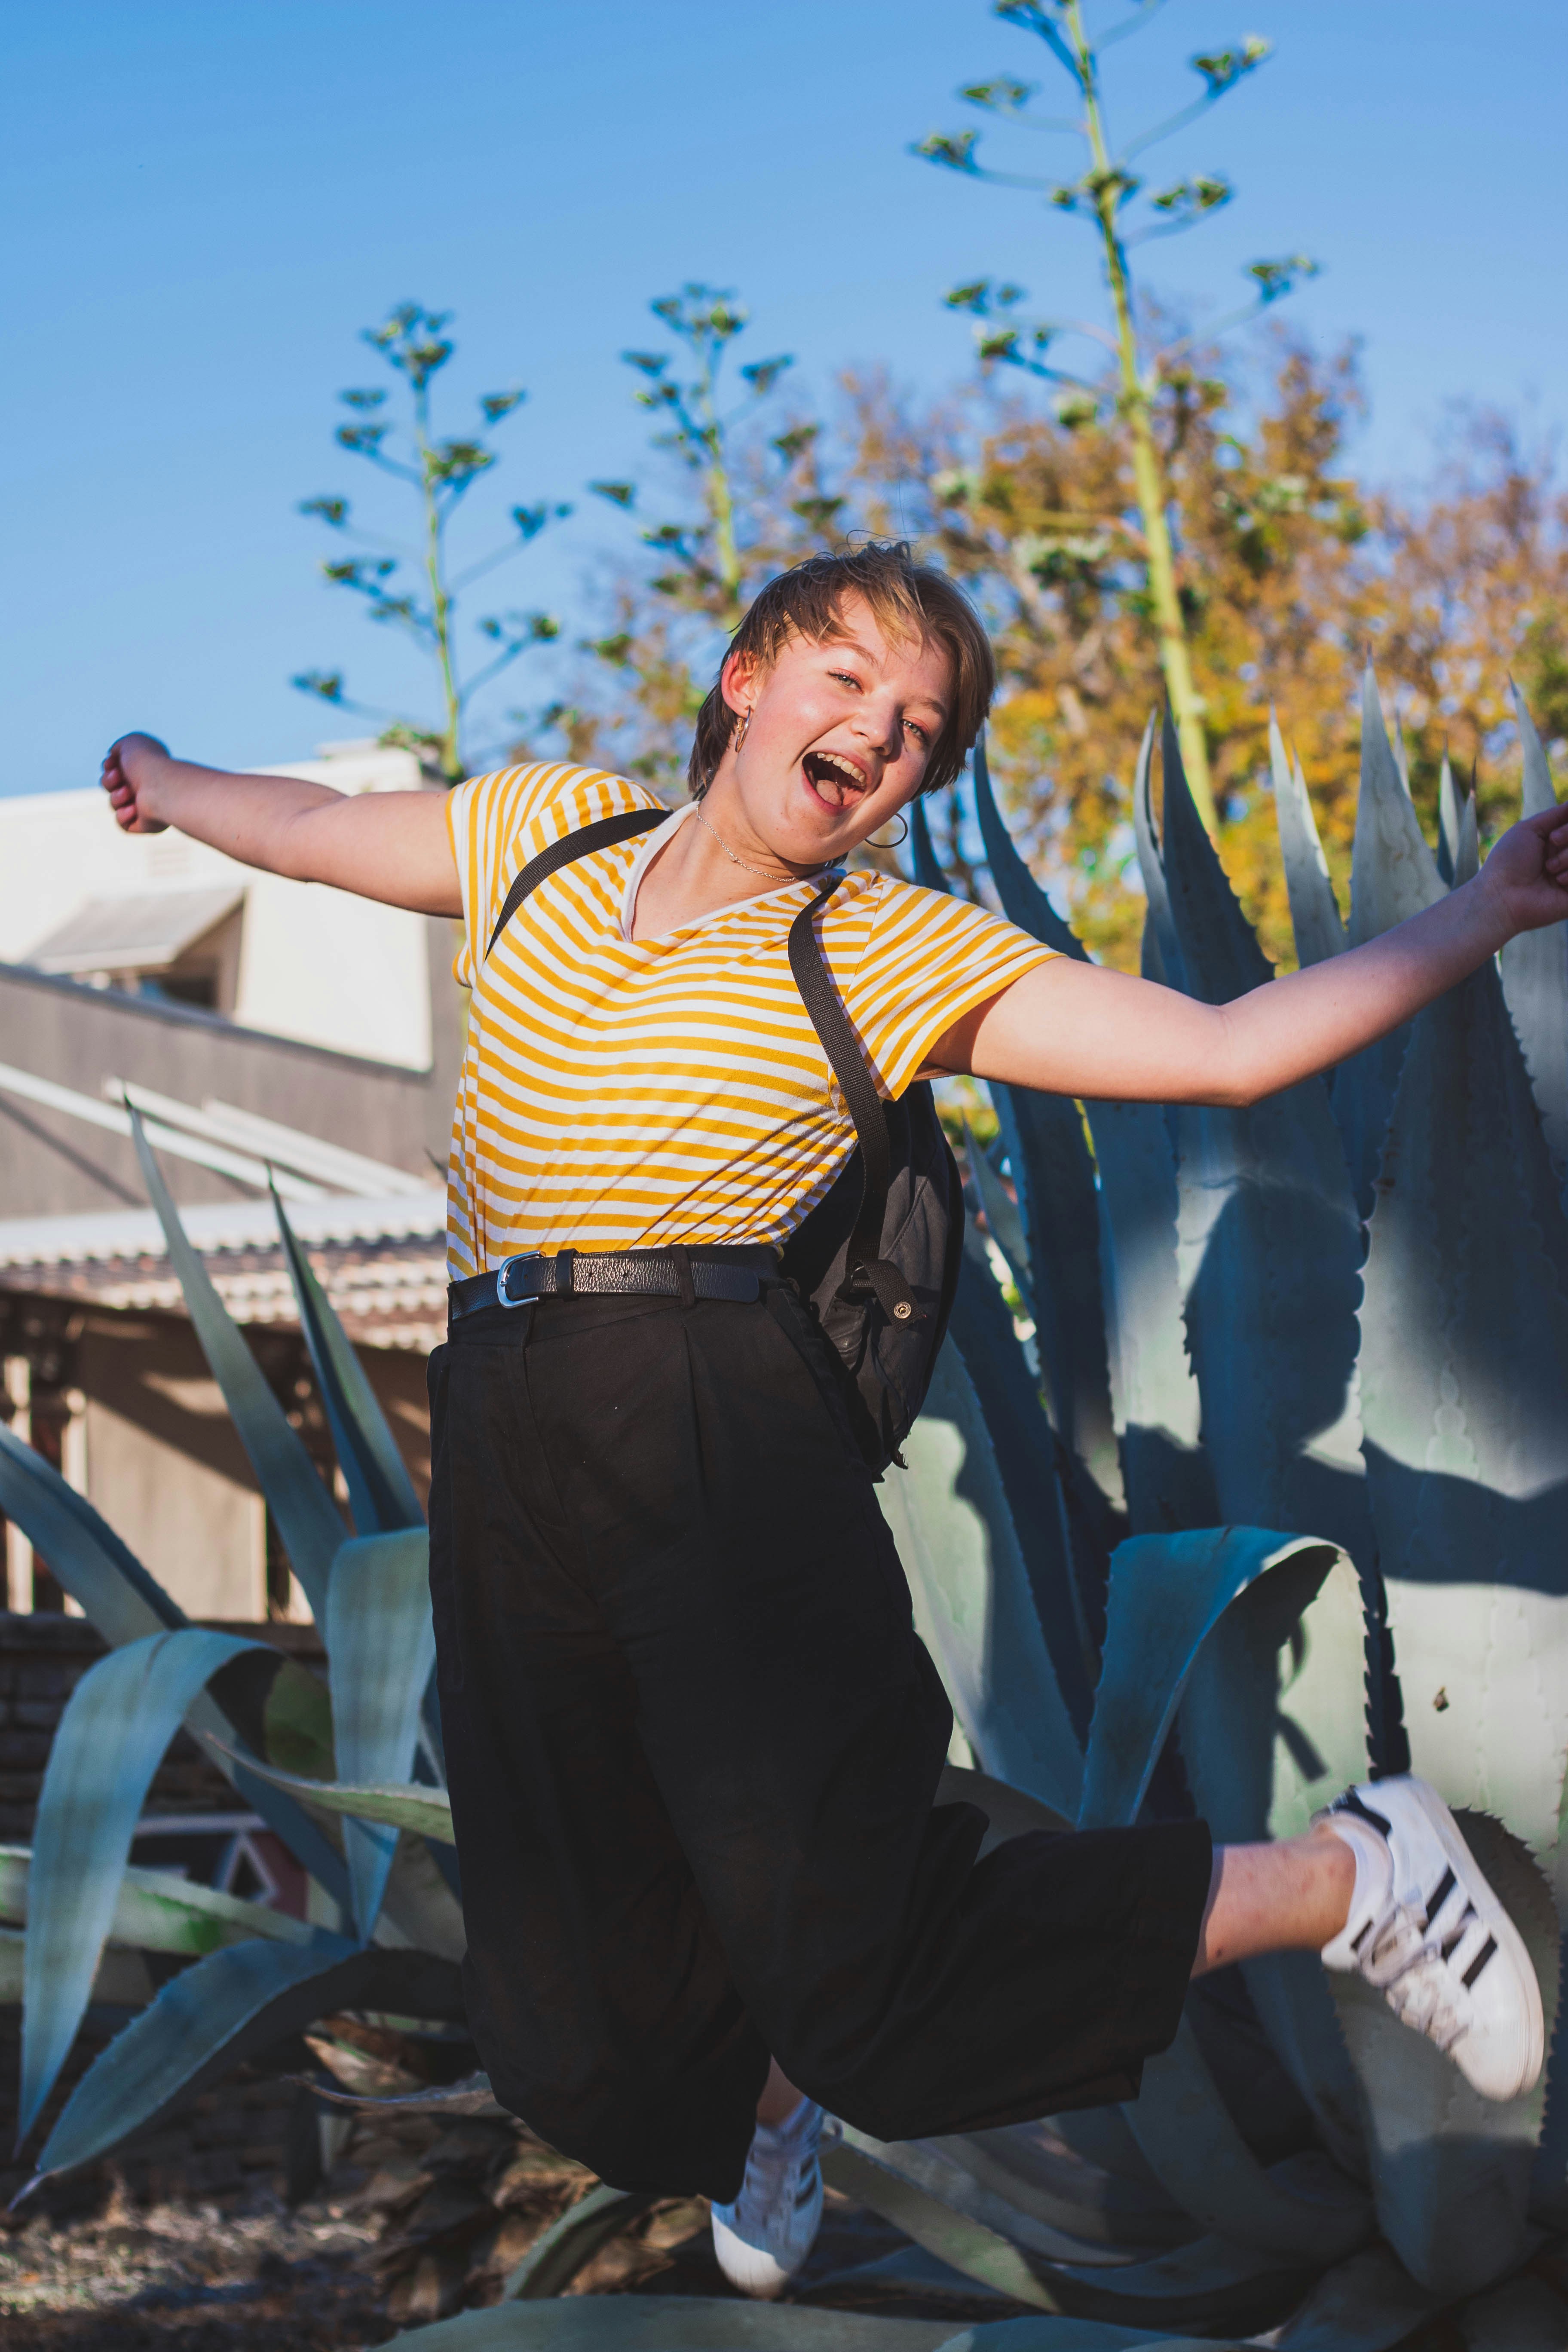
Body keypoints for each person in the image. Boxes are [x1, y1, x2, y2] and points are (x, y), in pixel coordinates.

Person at [102, 543, 1567, 2300]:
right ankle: (769, 2091)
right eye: (848, 679)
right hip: (501, 1419)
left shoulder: (879, 944)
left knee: (886, 1972)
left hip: (716, 1417)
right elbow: (315, 836)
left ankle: (1361, 1877)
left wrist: (1476, 908)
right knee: (580, 2040)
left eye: (920, 728)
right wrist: (170, 785)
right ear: (747, 681)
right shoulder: (548, 832)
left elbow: (1227, 1050)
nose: (876, 730)